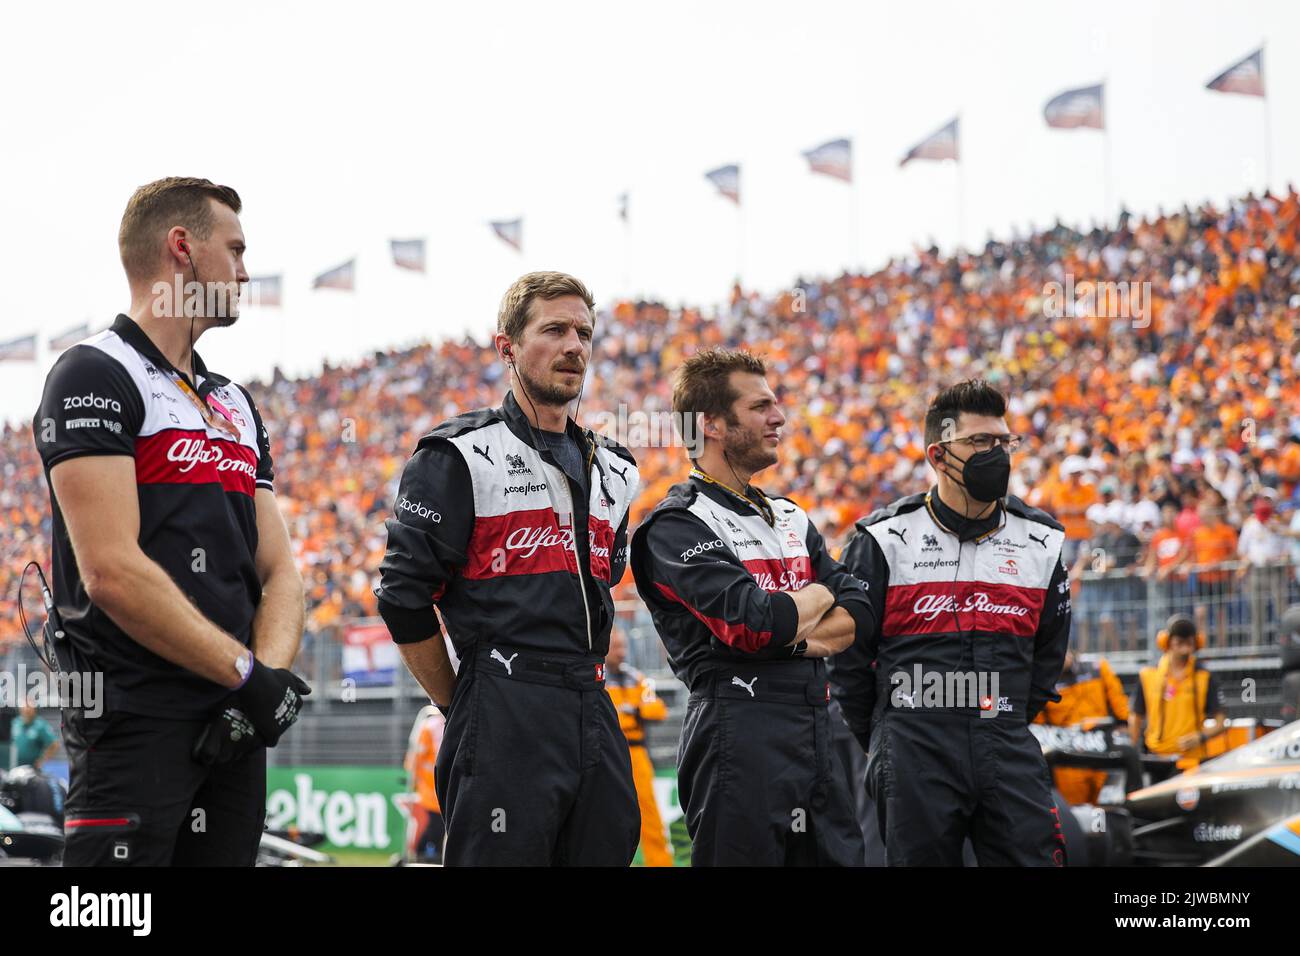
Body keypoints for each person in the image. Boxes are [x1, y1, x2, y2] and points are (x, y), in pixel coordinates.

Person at [30, 178, 309, 866]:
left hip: (234, 725)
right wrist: (248, 674)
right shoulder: (94, 373)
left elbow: (280, 574)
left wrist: (257, 689)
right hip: (132, 722)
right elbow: (111, 572)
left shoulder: (235, 402)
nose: (245, 271)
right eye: (236, 250)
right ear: (181, 248)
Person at [375, 271, 642, 866]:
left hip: (593, 701)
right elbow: (401, 597)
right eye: (554, 329)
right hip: (500, 702)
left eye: (584, 332)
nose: (575, 345)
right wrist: (462, 702)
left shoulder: (619, 470)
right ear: (508, 346)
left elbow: (606, 580)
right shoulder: (457, 454)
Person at [630, 347, 870, 866]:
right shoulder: (676, 524)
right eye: (761, 406)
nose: (778, 417)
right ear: (711, 425)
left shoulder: (789, 515)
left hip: (815, 728)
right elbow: (756, 624)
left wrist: (796, 620)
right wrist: (822, 592)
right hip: (736, 728)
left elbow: (859, 611)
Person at [829, 379, 1072, 866]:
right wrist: (885, 735)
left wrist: (1002, 715)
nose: (997, 453)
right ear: (939, 456)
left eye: (1004, 442)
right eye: (981, 442)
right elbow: (848, 663)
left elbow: (1048, 656)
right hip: (913, 741)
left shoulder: (1042, 540)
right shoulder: (883, 539)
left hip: (1005, 737)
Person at [604, 626, 672, 867]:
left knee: (650, 816)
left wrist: (635, 710)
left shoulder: (636, 678)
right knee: (606, 819)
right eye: (616, 646)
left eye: (623, 646)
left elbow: (658, 709)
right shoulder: (597, 679)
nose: (621, 651)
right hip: (607, 756)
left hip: (636, 754)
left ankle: (660, 863)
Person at [1034, 649, 1129, 804]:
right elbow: (1038, 724)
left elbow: (1119, 704)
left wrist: (1123, 726)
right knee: (1075, 811)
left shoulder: (1097, 667)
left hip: (1103, 751)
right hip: (1069, 758)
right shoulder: (1042, 680)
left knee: (1108, 808)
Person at [1128, 615, 1228, 764]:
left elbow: (1221, 722)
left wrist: (1201, 737)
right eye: (1179, 640)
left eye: (1188, 641)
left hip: (1192, 760)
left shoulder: (1205, 677)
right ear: (1166, 641)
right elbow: (1136, 716)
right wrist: (1131, 755)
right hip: (1155, 760)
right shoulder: (1148, 675)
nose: (1184, 645)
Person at [404, 705, 446, 863]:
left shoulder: (453, 722)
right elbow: (414, 759)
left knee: (441, 826)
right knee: (434, 825)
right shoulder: (429, 726)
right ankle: (420, 856)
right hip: (430, 789)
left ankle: (434, 856)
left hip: (443, 788)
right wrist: (413, 780)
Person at [10, 705, 59, 770]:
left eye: (29, 708)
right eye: (24, 708)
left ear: (34, 710)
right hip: (15, 767)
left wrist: (42, 760)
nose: (26, 710)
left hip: (33, 769)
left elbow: (54, 744)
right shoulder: (15, 722)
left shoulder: (40, 725)